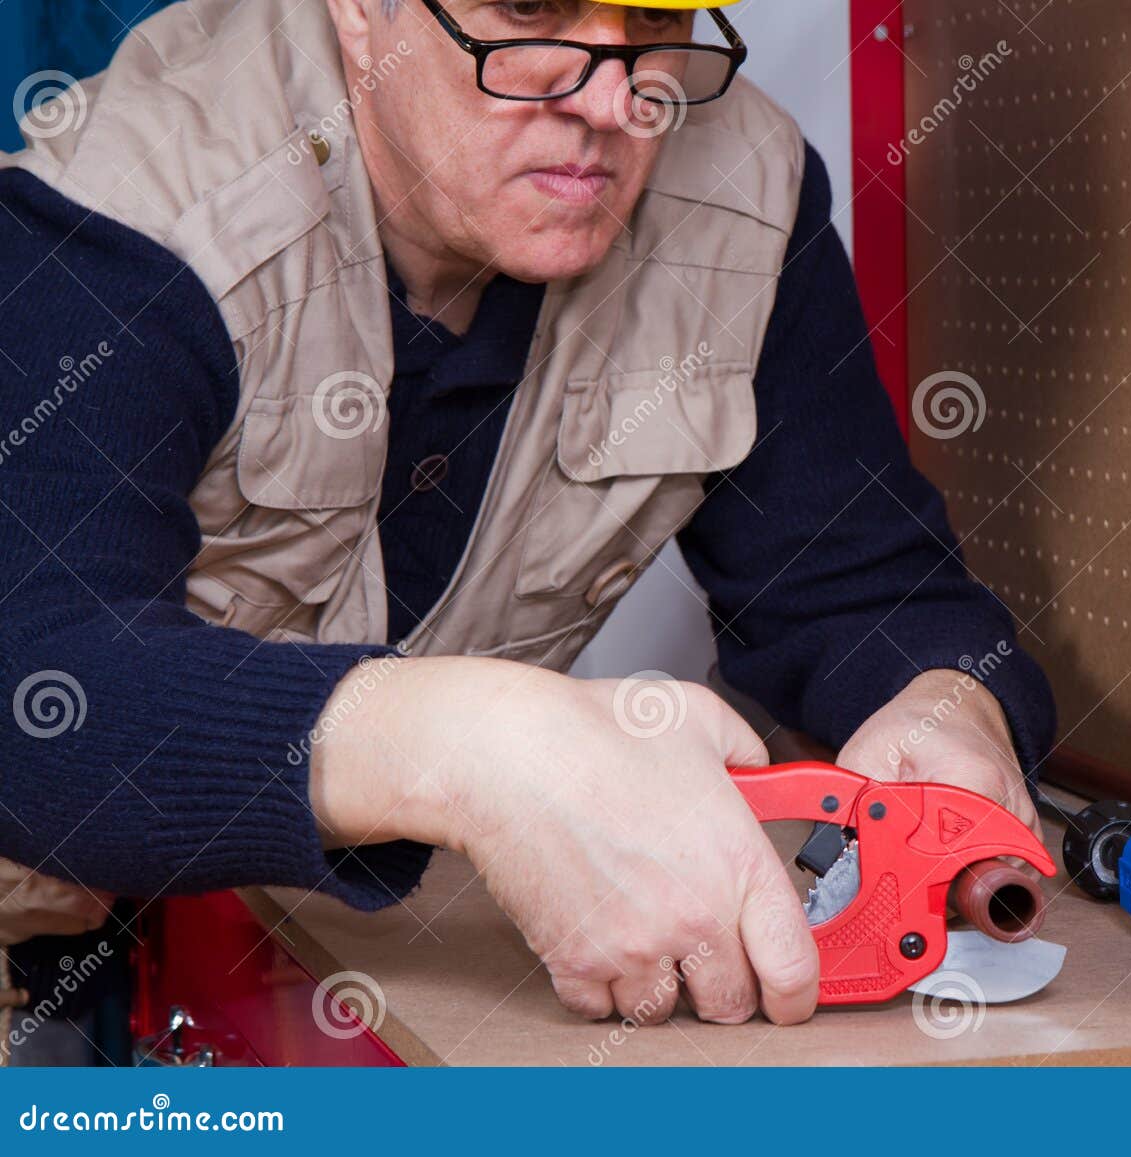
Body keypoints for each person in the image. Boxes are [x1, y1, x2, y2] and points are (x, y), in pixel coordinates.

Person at [0, 0, 1055, 1042]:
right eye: (530, 9)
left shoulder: (745, 189)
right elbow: (33, 685)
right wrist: (478, 747)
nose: (614, 102)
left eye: (652, 20)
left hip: (343, 966)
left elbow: (865, 588)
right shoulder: (131, 196)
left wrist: (948, 702)